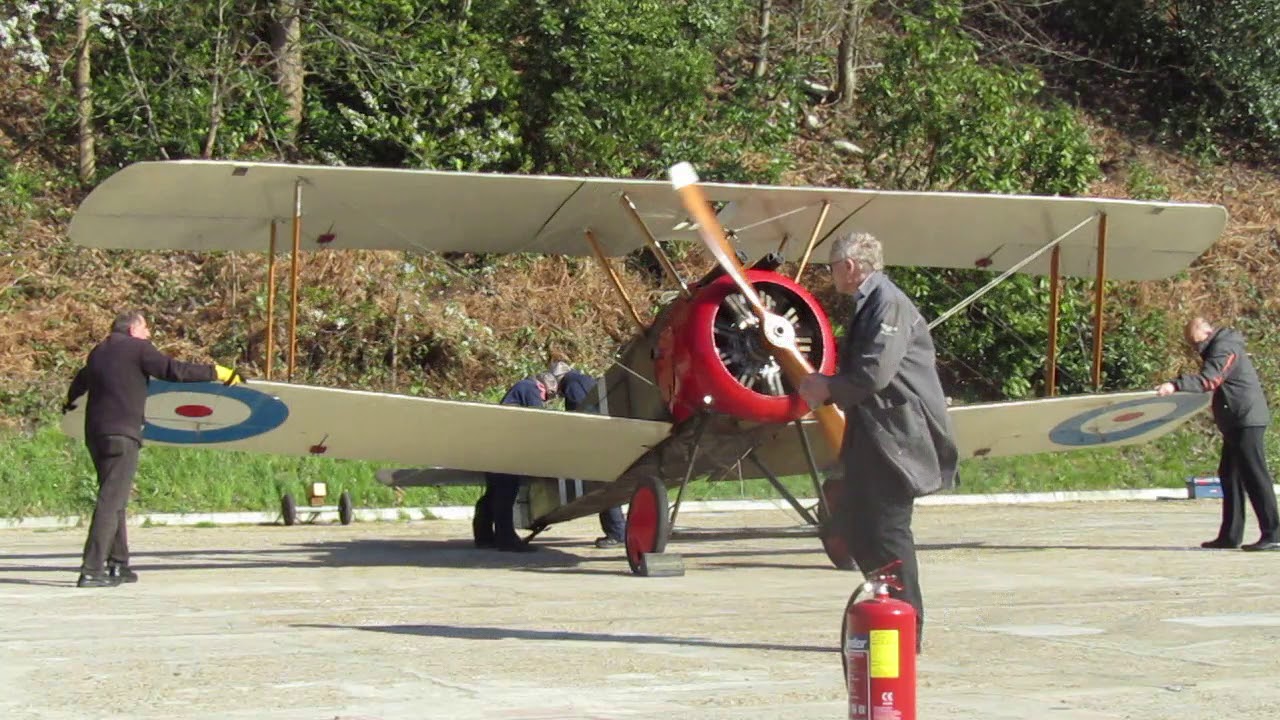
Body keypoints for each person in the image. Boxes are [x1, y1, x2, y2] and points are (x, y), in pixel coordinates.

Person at [797, 232, 958, 653]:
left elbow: (874, 375)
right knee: (851, 522)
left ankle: (907, 630)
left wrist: (825, 388)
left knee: (888, 531)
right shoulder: (870, 303)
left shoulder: (888, 303)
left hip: (898, 436)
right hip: (873, 432)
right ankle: (885, 608)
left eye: (831, 266)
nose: (830, 274)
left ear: (849, 267)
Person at [63, 310, 242, 588]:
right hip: (123, 434)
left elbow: (79, 383)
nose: (149, 334)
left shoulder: (98, 351)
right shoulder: (138, 348)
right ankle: (91, 570)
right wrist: (216, 372)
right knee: (110, 503)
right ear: (133, 329)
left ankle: (118, 565)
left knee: (114, 498)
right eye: (146, 328)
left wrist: (69, 404)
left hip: (96, 435)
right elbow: (174, 371)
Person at [1157, 317, 1280, 551]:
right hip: (1236, 420)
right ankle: (1231, 535)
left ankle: (1274, 534)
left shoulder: (1224, 347)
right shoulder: (1219, 346)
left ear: (1207, 333)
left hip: (1246, 419)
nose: (1196, 348)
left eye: (1196, 342)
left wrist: (1175, 385)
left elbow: (1210, 379)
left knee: (1255, 475)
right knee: (1230, 476)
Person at [472, 371, 559, 553]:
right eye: (549, 395)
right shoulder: (529, 388)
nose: (546, 400)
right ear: (542, 385)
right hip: (506, 452)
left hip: (494, 448)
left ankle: (484, 537)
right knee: (505, 495)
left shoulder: (519, 389)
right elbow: (541, 421)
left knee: (493, 495)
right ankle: (506, 539)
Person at [550, 361, 625, 549]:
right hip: (609, 436)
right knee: (609, 486)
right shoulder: (586, 379)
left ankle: (616, 533)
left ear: (559, 378)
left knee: (603, 488)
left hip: (595, 441)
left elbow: (579, 413)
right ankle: (619, 531)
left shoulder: (571, 384)